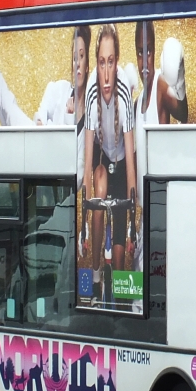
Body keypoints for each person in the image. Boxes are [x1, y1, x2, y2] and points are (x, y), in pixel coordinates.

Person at [81, 24, 137, 301]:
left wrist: (132, 217)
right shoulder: (93, 87)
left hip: (122, 158)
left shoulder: (124, 88)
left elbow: (130, 164)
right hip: (102, 155)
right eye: (101, 62)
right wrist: (84, 223)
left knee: (118, 236)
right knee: (99, 199)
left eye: (111, 62)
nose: (105, 74)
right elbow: (88, 153)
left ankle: (118, 288)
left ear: (117, 63)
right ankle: (95, 279)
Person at [132, 20, 189, 125]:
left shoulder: (160, 84)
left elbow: (182, 114)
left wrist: (180, 81)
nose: (144, 62)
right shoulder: (137, 104)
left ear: (154, 51)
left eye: (148, 51)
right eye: (140, 53)